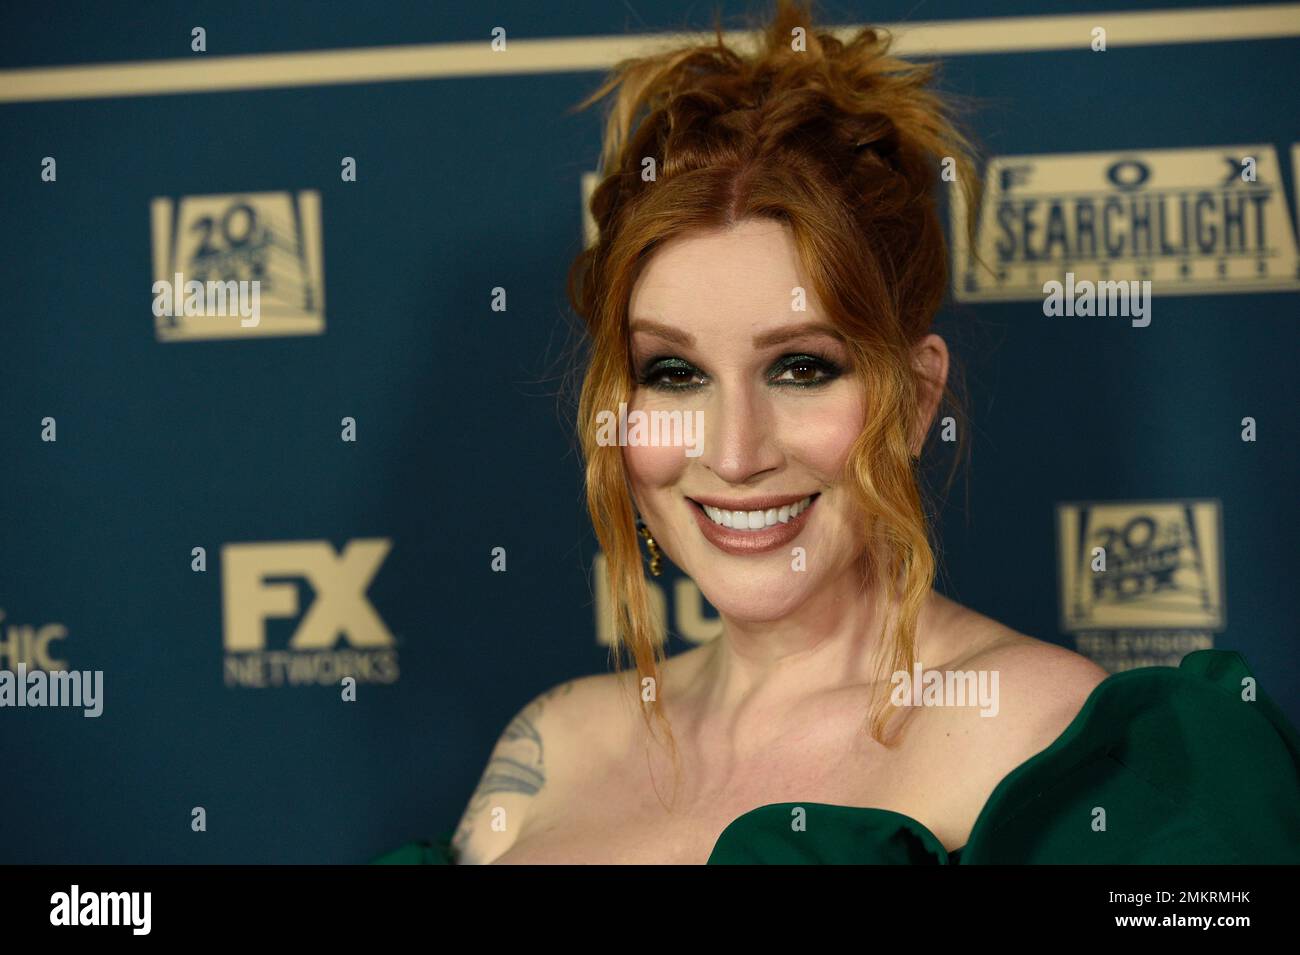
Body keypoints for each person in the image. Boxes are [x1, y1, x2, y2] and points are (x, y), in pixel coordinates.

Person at [375, 0, 1300, 866]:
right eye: (674, 372)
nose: (735, 453)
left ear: (915, 394)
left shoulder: (1064, 742)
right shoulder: (554, 743)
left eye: (802, 368)